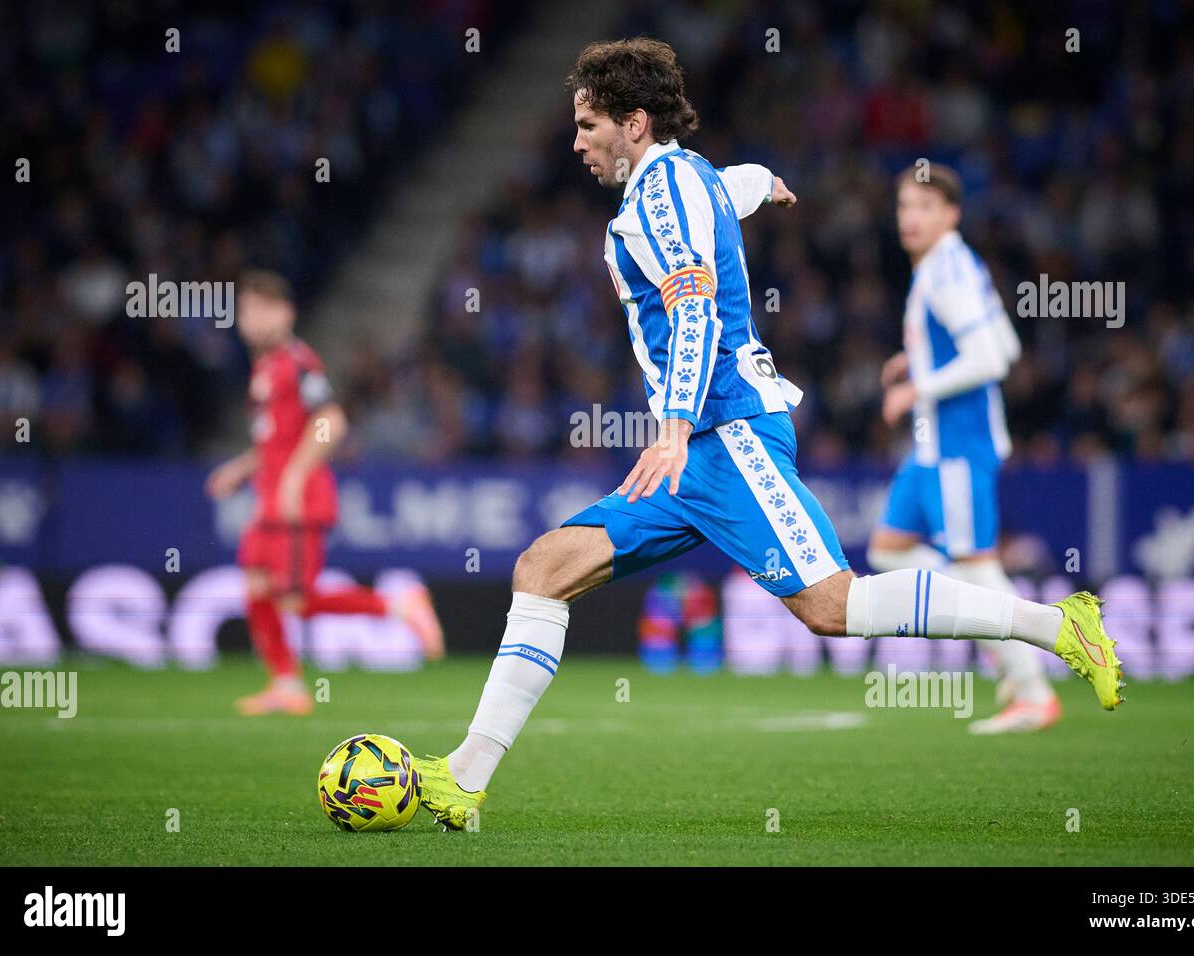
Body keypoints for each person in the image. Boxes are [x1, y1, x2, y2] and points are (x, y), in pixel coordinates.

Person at [411, 39, 1122, 829]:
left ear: (634, 122)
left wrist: (675, 421)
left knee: (832, 604)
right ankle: (465, 778)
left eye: (588, 124)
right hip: (696, 454)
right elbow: (727, 186)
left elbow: (694, 308)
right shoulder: (683, 178)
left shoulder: (659, 193)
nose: (575, 141)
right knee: (543, 569)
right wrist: (764, 185)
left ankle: (1059, 627)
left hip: (726, 433)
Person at [872, 162, 1062, 734]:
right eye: (905, 205)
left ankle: (1031, 688)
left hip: (957, 444)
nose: (911, 217)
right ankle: (1000, 645)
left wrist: (917, 387)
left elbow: (992, 358)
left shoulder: (946, 268)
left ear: (951, 214)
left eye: (925, 206)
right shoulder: (951, 263)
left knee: (976, 568)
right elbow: (1003, 337)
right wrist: (921, 360)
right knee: (888, 550)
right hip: (934, 447)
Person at [206, 270, 444, 715]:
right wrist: (241, 468)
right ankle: (286, 684)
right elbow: (278, 439)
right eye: (247, 310)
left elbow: (332, 422)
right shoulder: (266, 367)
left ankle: (399, 605)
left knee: (296, 599)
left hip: (298, 500)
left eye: (263, 308)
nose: (254, 319)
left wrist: (295, 476)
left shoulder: (298, 363)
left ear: (287, 312)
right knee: (257, 586)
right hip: (269, 499)